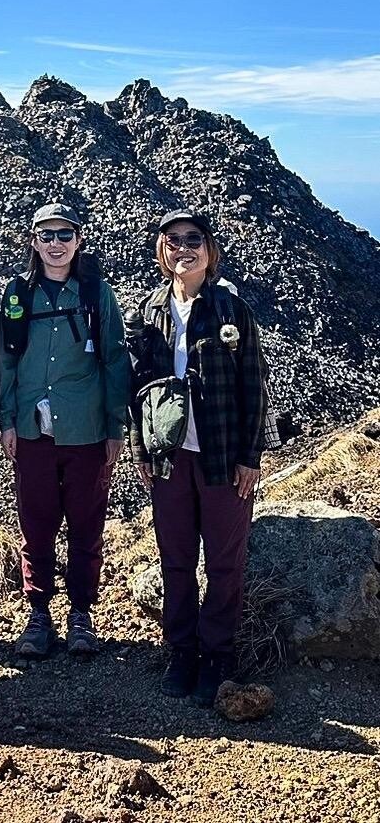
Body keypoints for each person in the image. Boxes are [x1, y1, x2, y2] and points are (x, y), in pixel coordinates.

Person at [127, 209, 266, 706]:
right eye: (172, 240)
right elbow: (137, 386)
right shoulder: (150, 310)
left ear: (209, 249)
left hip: (222, 456)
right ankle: (182, 651)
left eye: (193, 239)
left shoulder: (231, 310)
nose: (183, 248)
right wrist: (140, 448)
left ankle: (219, 655)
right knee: (177, 560)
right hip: (169, 458)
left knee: (225, 562)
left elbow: (254, 383)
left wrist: (250, 456)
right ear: (161, 250)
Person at [0, 204, 129, 657]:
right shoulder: (17, 294)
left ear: (78, 240)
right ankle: (38, 614)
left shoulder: (97, 295)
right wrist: (7, 419)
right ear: (33, 241)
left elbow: (114, 359)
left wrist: (116, 425)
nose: (56, 244)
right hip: (33, 430)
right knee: (35, 522)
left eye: (64, 235)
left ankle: (81, 614)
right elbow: (6, 360)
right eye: (46, 235)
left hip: (87, 429)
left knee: (86, 523)